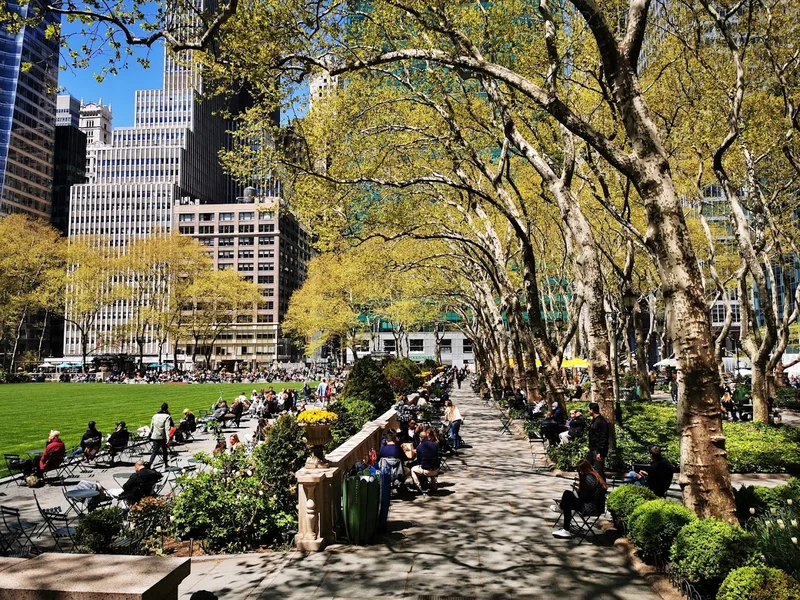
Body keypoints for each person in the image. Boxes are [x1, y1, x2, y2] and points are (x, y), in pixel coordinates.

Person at [552, 460, 608, 539]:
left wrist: (577, 494)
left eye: (579, 470)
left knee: (567, 496)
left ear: (584, 469)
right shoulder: (594, 475)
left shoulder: (588, 477)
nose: (579, 473)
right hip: (595, 507)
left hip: (590, 508)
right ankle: (564, 524)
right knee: (568, 499)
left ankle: (565, 524)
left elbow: (585, 496)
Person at [411, 428, 440, 493]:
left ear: (421, 438)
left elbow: (419, 461)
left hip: (426, 470)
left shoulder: (419, 447)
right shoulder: (435, 445)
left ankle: (418, 486)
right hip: (436, 469)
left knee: (413, 469)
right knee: (431, 465)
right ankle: (434, 486)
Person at [147, 403, 173, 469]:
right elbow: (167, 428)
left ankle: (149, 464)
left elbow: (151, 426)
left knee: (154, 451)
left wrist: (150, 434)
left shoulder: (155, 416)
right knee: (164, 451)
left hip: (155, 436)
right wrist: (168, 438)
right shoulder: (167, 416)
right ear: (166, 409)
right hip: (162, 437)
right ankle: (166, 464)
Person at [586, 402, 609, 474]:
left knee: (599, 471)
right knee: (587, 468)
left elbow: (603, 437)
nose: (588, 411)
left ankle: (601, 481)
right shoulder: (594, 420)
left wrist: (600, 452)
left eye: (589, 409)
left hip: (598, 450)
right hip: (592, 449)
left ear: (592, 410)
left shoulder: (601, 422)